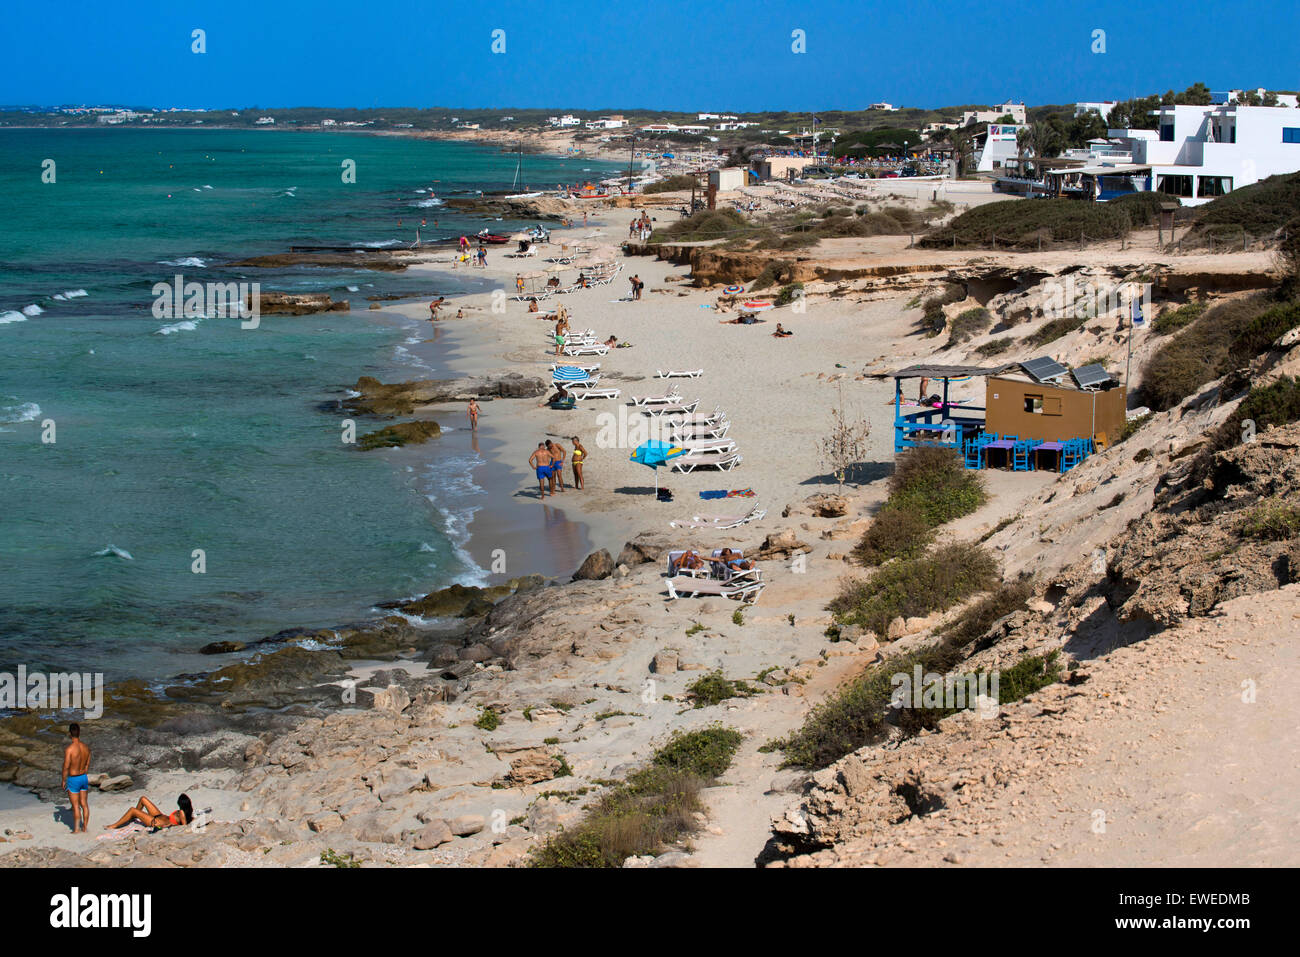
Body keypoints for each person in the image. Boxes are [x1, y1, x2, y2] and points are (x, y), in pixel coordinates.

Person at [104, 794, 194, 831]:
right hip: (161, 816)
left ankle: (114, 826)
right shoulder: (189, 810)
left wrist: (169, 826)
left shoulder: (182, 812)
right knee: (143, 799)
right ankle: (132, 816)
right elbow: (189, 819)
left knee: (132, 810)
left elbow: (184, 828)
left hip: (158, 822)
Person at [62, 722, 91, 833]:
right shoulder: (86, 748)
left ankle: (76, 829)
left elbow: (66, 767)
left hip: (74, 778)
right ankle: (85, 827)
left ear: (70, 734)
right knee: (84, 804)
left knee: (75, 805)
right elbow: (87, 764)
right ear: (79, 733)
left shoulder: (69, 749)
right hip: (83, 777)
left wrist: (64, 780)